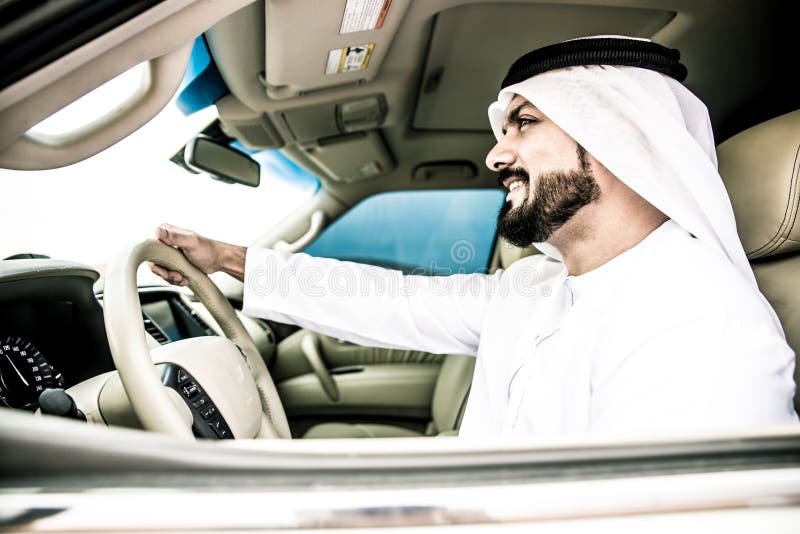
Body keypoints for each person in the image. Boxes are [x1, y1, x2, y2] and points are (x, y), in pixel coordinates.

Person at [151, 36, 798, 438]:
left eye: (523, 124)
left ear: (612, 137)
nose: (496, 155)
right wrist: (230, 260)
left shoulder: (703, 326)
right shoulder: (536, 287)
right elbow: (391, 299)